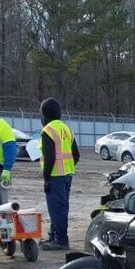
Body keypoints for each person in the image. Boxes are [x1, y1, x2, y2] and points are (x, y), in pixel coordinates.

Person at [39, 97, 79, 250]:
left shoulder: (48, 130)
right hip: (67, 175)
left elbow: (49, 158)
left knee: (56, 208)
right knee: (61, 207)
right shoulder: (66, 129)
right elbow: (76, 155)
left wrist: (46, 178)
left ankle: (61, 240)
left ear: (44, 114)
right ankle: (54, 236)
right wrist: (67, 168)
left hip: (55, 176)